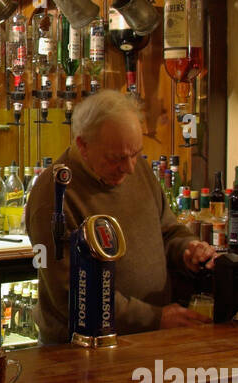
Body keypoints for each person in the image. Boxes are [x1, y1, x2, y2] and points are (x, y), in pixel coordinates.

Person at [26, 89, 216, 343]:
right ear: (83, 145)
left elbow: (168, 231)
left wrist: (187, 249)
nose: (129, 168)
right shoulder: (52, 194)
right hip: (82, 351)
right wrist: (153, 317)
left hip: (148, 339)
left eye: (135, 153)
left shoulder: (135, 168)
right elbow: (69, 295)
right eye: (116, 158)